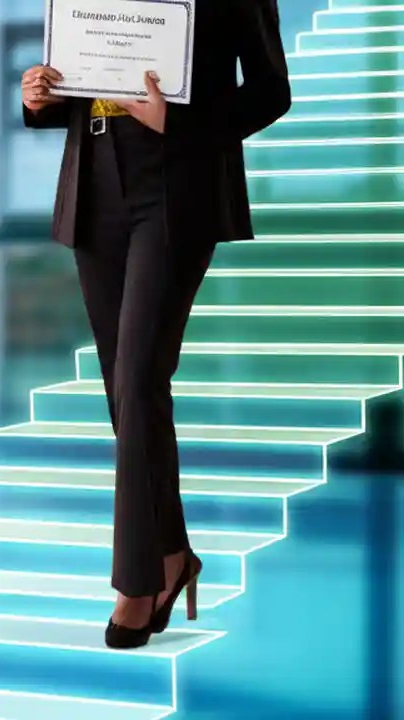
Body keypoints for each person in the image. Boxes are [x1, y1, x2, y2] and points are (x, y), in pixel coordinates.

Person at [20, 0, 291, 649]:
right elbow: (80, 82)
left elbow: (270, 92)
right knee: (126, 393)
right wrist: (39, 97)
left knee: (139, 381)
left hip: (177, 185)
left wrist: (179, 119)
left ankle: (136, 585)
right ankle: (172, 555)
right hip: (95, 185)